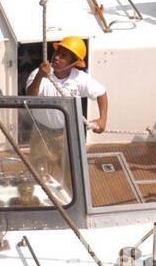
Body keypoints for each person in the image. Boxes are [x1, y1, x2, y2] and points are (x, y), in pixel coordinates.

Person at [25, 37, 108, 188]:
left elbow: (101, 93)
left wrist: (102, 119)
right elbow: (30, 98)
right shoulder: (38, 73)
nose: (56, 57)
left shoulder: (80, 79)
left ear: (74, 62)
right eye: (57, 52)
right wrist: (40, 76)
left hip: (66, 135)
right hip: (40, 132)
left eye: (63, 56)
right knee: (36, 174)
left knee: (72, 174)